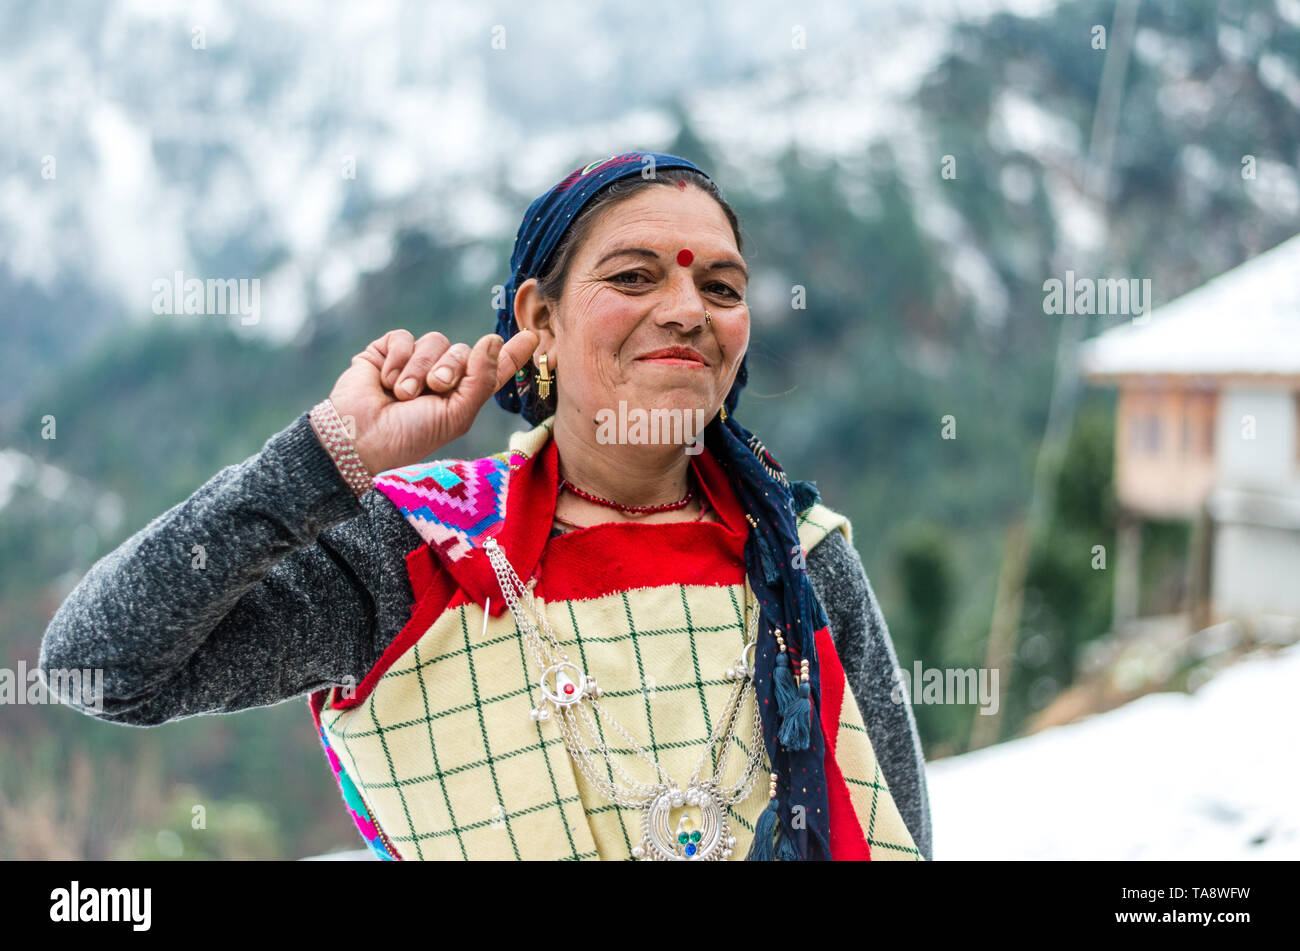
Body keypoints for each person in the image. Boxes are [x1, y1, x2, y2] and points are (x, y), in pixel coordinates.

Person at [39, 151, 932, 861]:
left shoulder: (800, 560)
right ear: (536, 317)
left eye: (723, 287)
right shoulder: (422, 556)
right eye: (633, 277)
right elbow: (100, 665)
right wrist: (325, 456)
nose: (687, 309)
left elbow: (893, 835)